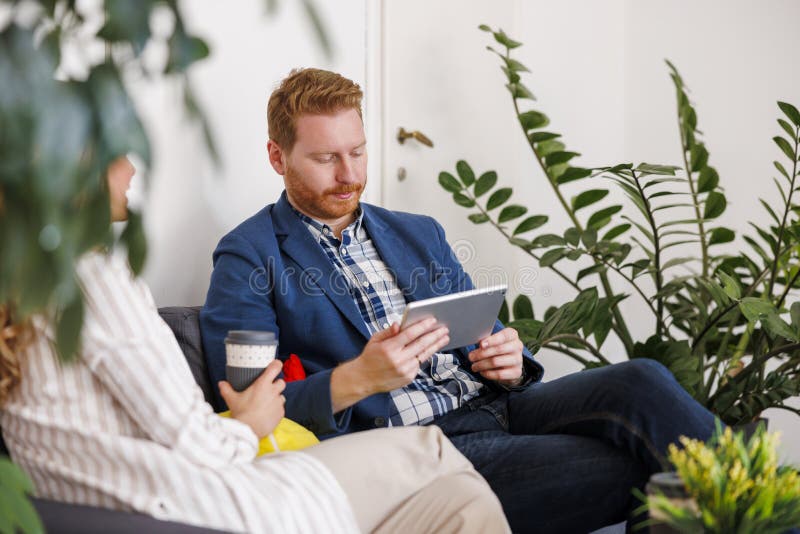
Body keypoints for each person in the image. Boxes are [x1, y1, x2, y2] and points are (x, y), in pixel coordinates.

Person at [200, 68, 718, 533]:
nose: (350, 174)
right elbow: (244, 407)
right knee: (635, 465)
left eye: (357, 151)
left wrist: (510, 363)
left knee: (641, 379)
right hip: (418, 446)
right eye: (326, 158)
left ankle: (778, 509)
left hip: (497, 404)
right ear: (277, 156)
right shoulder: (249, 255)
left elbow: (482, 329)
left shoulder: (416, 232)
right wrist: (358, 378)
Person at [0, 157, 510, 533]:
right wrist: (250, 421)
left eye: (357, 151)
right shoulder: (92, 278)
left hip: (144, 498)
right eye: (115, 153)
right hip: (206, 502)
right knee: (433, 453)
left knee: (461, 501)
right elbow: (198, 444)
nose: (132, 167)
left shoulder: (20, 293)